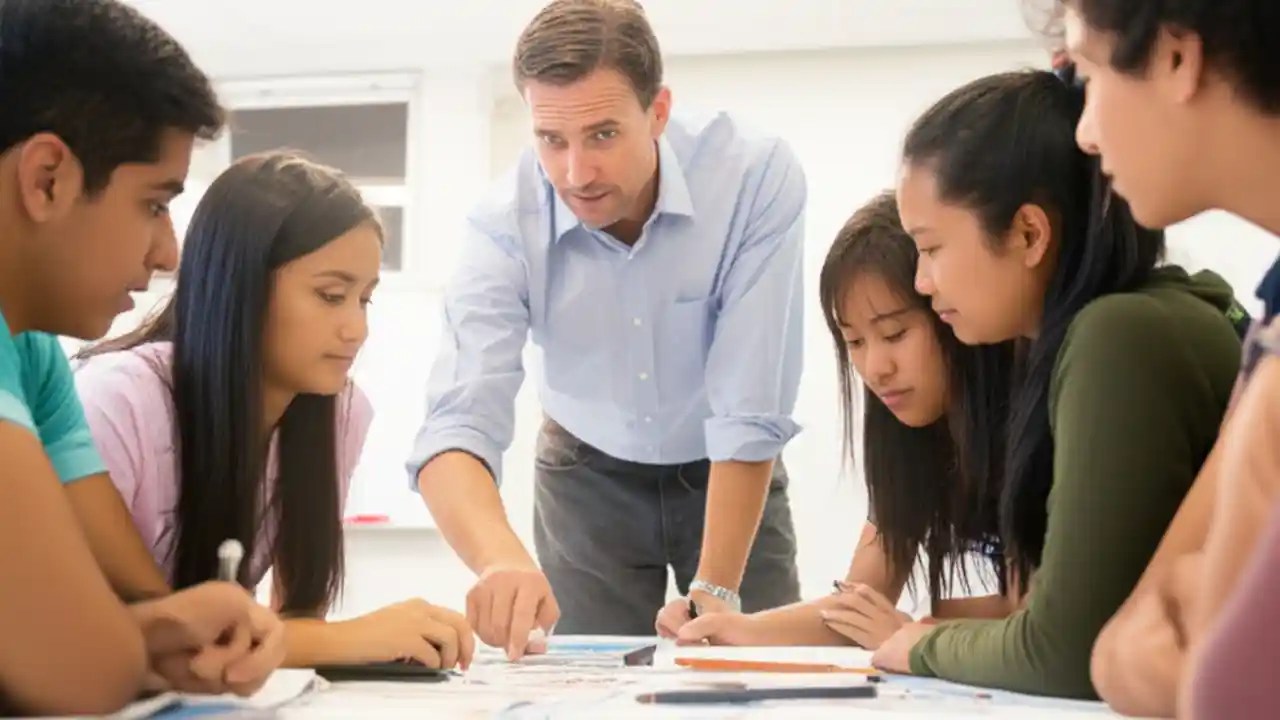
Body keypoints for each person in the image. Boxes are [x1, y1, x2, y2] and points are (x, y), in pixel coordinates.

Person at [409, 0, 805, 658]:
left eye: (602, 135)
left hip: (730, 467)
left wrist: (716, 588)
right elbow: (455, 423)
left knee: (754, 668)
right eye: (551, 139)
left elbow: (750, 402)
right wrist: (500, 561)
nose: (575, 173)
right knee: (590, 678)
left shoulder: (752, 177)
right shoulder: (502, 221)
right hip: (584, 472)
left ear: (658, 111)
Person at [866, 68, 1244, 699]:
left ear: (1029, 233)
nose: (923, 283)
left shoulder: (1119, 338)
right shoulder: (1120, 327)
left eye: (930, 249)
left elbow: (1064, 653)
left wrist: (921, 645)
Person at [68, 151, 476, 671]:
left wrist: (352, 640)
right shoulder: (117, 399)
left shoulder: (340, 411)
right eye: (331, 295)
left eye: (365, 299)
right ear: (241, 289)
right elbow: (82, 633)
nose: (357, 329)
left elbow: (294, 622)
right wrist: (354, 638)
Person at [0, 0, 282, 714]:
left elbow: (132, 602)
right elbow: (83, 672)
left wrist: (155, 636)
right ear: (47, 179)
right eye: (154, 204)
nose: (168, 254)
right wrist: (127, 642)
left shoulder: (30, 352)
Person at [1053, 1, 1280, 716]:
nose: (1085, 133)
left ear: (1176, 57)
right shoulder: (1272, 324)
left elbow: (1230, 684)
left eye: (1087, 74)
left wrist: (1196, 614)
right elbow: (1120, 648)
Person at [678, 192, 1017, 649]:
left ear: (948, 310)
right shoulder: (910, 438)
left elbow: (1045, 618)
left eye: (894, 333)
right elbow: (859, 605)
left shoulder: (1032, 416)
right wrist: (736, 627)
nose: (876, 368)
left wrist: (918, 632)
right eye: (854, 342)